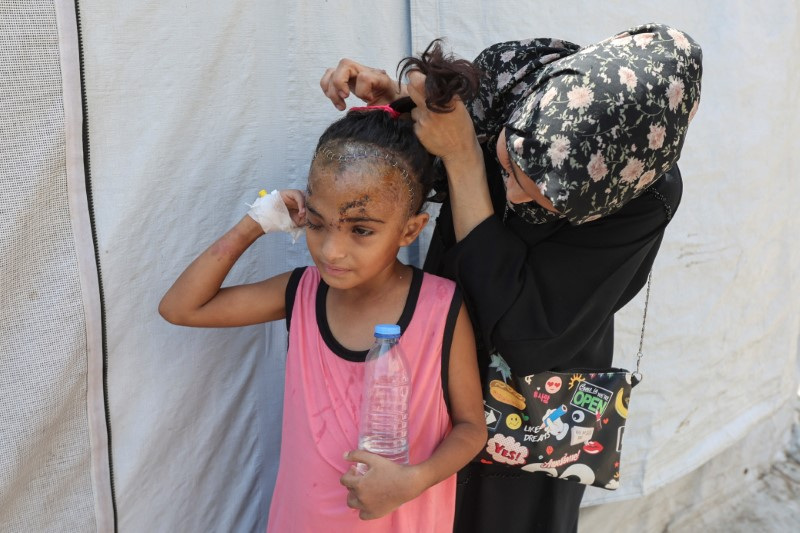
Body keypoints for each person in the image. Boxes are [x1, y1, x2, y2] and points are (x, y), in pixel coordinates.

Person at [320, 23, 702, 533]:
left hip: (538, 386)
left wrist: (465, 160)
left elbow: (527, 330)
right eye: (510, 167)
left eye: (544, 198)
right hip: (447, 336)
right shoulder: (514, 75)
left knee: (509, 516)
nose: (515, 198)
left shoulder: (643, 194)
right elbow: (427, 166)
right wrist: (400, 107)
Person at [158, 100, 487, 531]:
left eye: (361, 230)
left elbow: (470, 428)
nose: (332, 251)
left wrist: (414, 480)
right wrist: (258, 221)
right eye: (317, 223)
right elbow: (181, 307)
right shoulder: (301, 293)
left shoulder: (441, 307)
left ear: (410, 229)